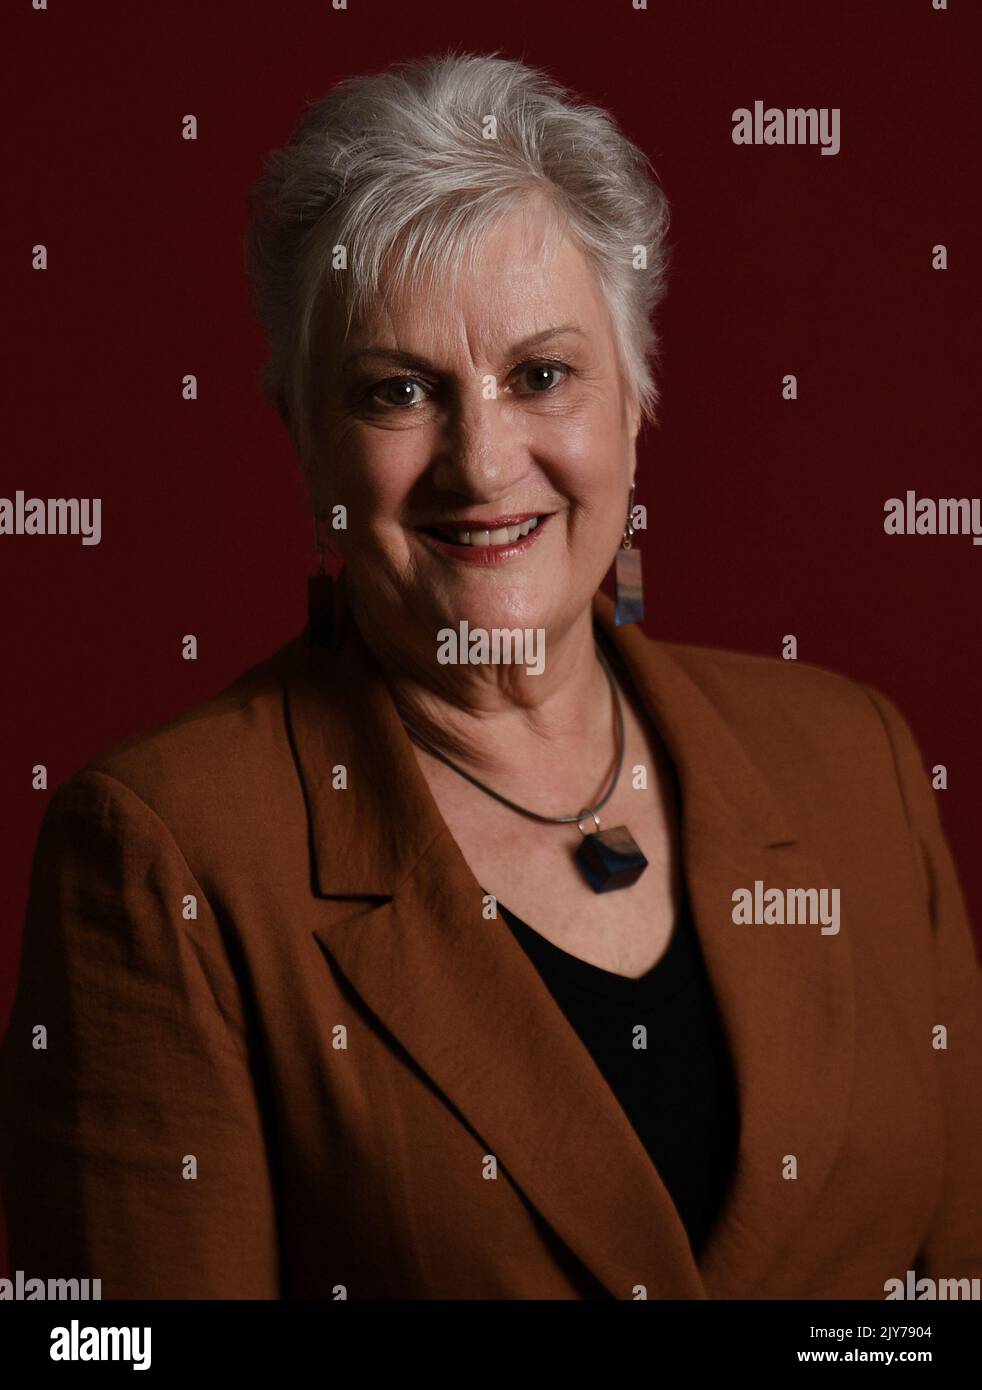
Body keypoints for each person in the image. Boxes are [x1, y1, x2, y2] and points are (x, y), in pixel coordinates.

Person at [2, 51, 980, 1301]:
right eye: (396, 390)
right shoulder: (162, 855)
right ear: (307, 443)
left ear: (633, 400)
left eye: (540, 375)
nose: (481, 460)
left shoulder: (857, 760)